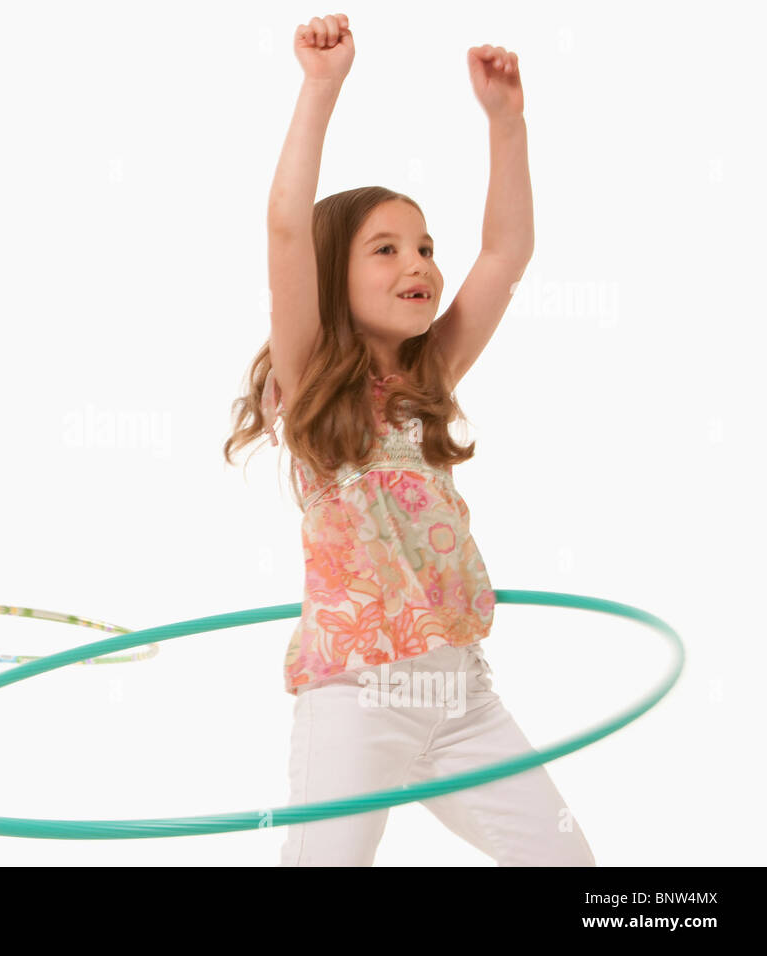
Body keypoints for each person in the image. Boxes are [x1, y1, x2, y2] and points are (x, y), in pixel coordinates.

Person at [223, 14, 594, 866]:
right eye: (384, 250)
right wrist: (321, 90)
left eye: (424, 246)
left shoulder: (432, 383)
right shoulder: (313, 378)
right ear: (330, 278)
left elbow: (506, 253)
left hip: (460, 692)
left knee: (571, 865)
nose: (417, 264)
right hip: (357, 697)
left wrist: (508, 123)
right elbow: (285, 226)